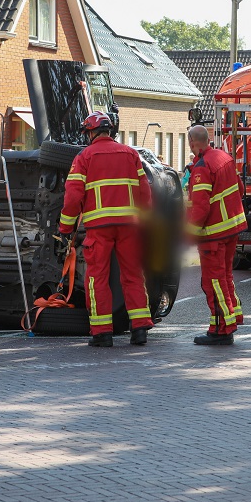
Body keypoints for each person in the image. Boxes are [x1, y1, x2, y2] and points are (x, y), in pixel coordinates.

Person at [58, 112, 154, 347]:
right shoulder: (131, 154)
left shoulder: (84, 156)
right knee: (133, 275)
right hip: (129, 227)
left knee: (97, 278)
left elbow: (73, 197)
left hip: (99, 228)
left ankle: (102, 333)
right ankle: (140, 329)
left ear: (91, 133)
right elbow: (144, 191)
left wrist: (66, 227)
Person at [185, 125, 246, 345]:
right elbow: (239, 190)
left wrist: (188, 235)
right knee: (226, 276)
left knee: (213, 282)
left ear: (192, 142)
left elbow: (200, 208)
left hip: (213, 235)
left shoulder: (202, 167)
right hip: (231, 229)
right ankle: (232, 318)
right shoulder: (224, 158)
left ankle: (221, 329)